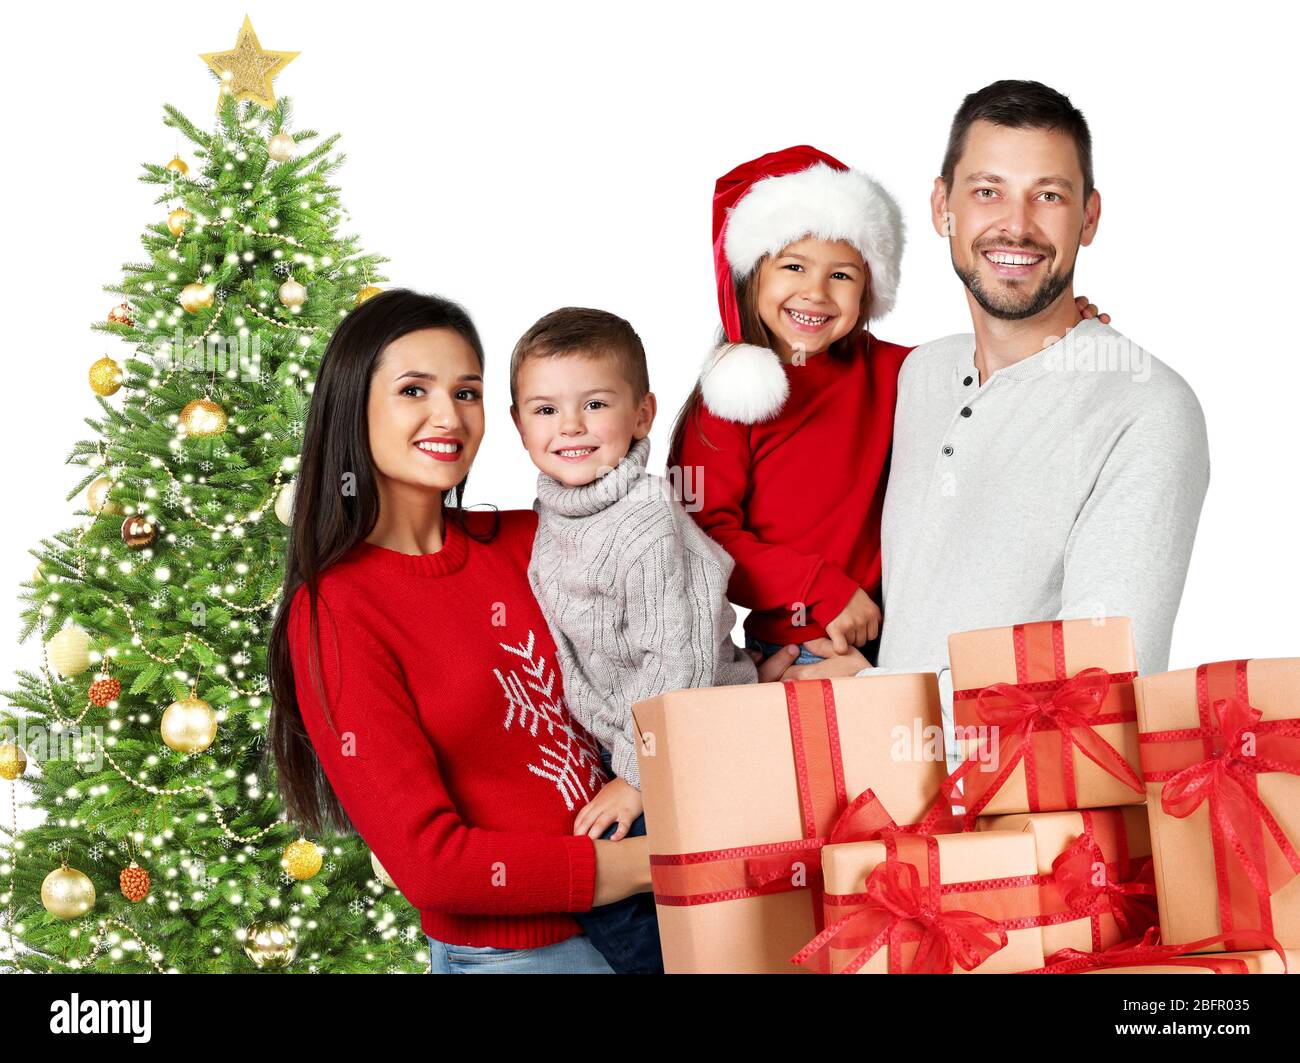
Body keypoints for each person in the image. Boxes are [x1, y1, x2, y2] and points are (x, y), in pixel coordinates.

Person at [265, 289, 654, 974]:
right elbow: (433, 864)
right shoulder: (338, 610)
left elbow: (679, 613)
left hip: (659, 925)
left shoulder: (536, 535)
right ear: (353, 405)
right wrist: (655, 860)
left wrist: (800, 644)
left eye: (467, 392)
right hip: (526, 955)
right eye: (413, 389)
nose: (447, 415)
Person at [847, 81, 1211, 768]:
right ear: (940, 207)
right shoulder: (917, 376)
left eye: (1048, 195)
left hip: (1031, 846)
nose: (1015, 225)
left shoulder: (1148, 408)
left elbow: (1098, 695)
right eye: (987, 190)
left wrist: (860, 695)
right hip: (875, 813)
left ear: (1089, 217)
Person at [510, 307, 756, 973]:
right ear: (518, 424)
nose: (570, 426)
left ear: (643, 414)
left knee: (616, 897)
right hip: (634, 739)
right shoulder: (559, 511)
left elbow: (676, 655)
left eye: (595, 404)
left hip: (684, 740)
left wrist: (635, 780)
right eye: (545, 409)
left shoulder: (642, 519)